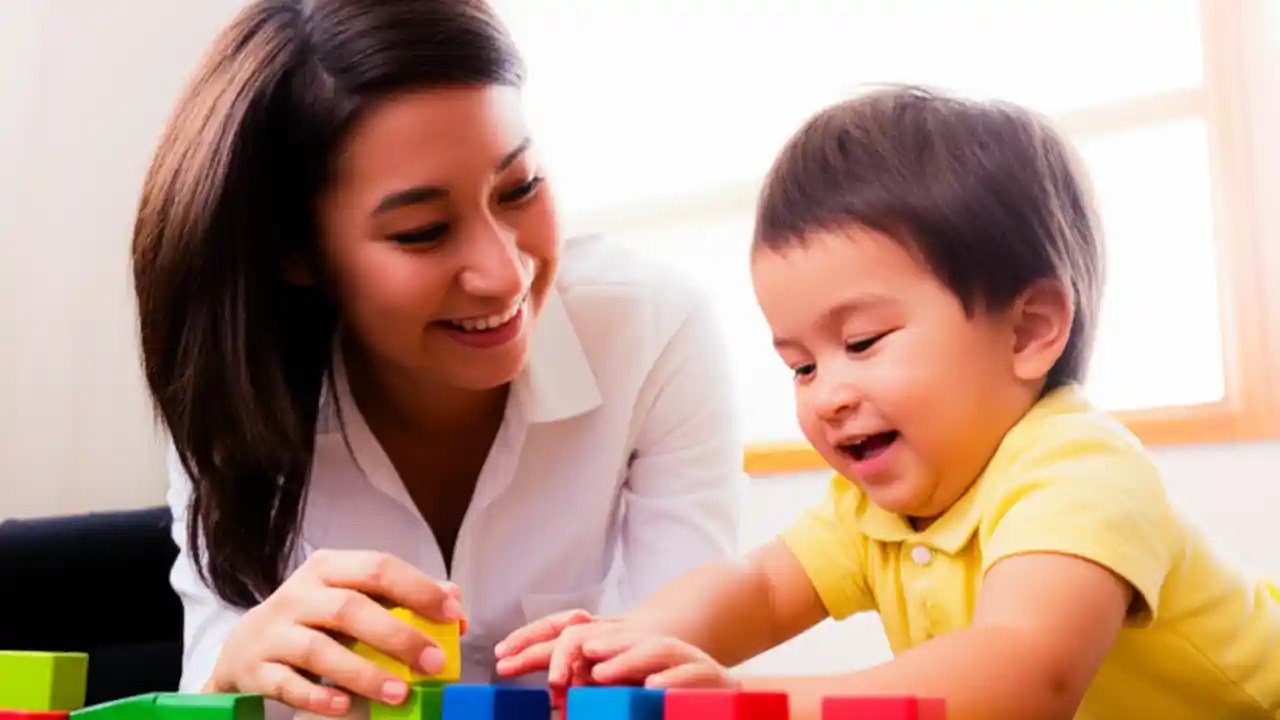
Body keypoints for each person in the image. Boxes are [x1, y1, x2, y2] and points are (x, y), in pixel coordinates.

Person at [494, 87, 1280, 719]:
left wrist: (744, 704)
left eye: (863, 342)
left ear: (1029, 331)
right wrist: (627, 642)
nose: (829, 395)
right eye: (800, 366)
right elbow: (760, 587)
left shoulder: (1080, 470)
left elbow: (1024, 676)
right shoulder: (876, 512)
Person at [130, 1, 745, 717]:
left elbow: (677, 679)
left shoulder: (652, 332)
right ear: (294, 251)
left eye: (520, 189)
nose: (505, 272)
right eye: (422, 232)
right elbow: (212, 670)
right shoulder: (235, 389)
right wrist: (227, 677)